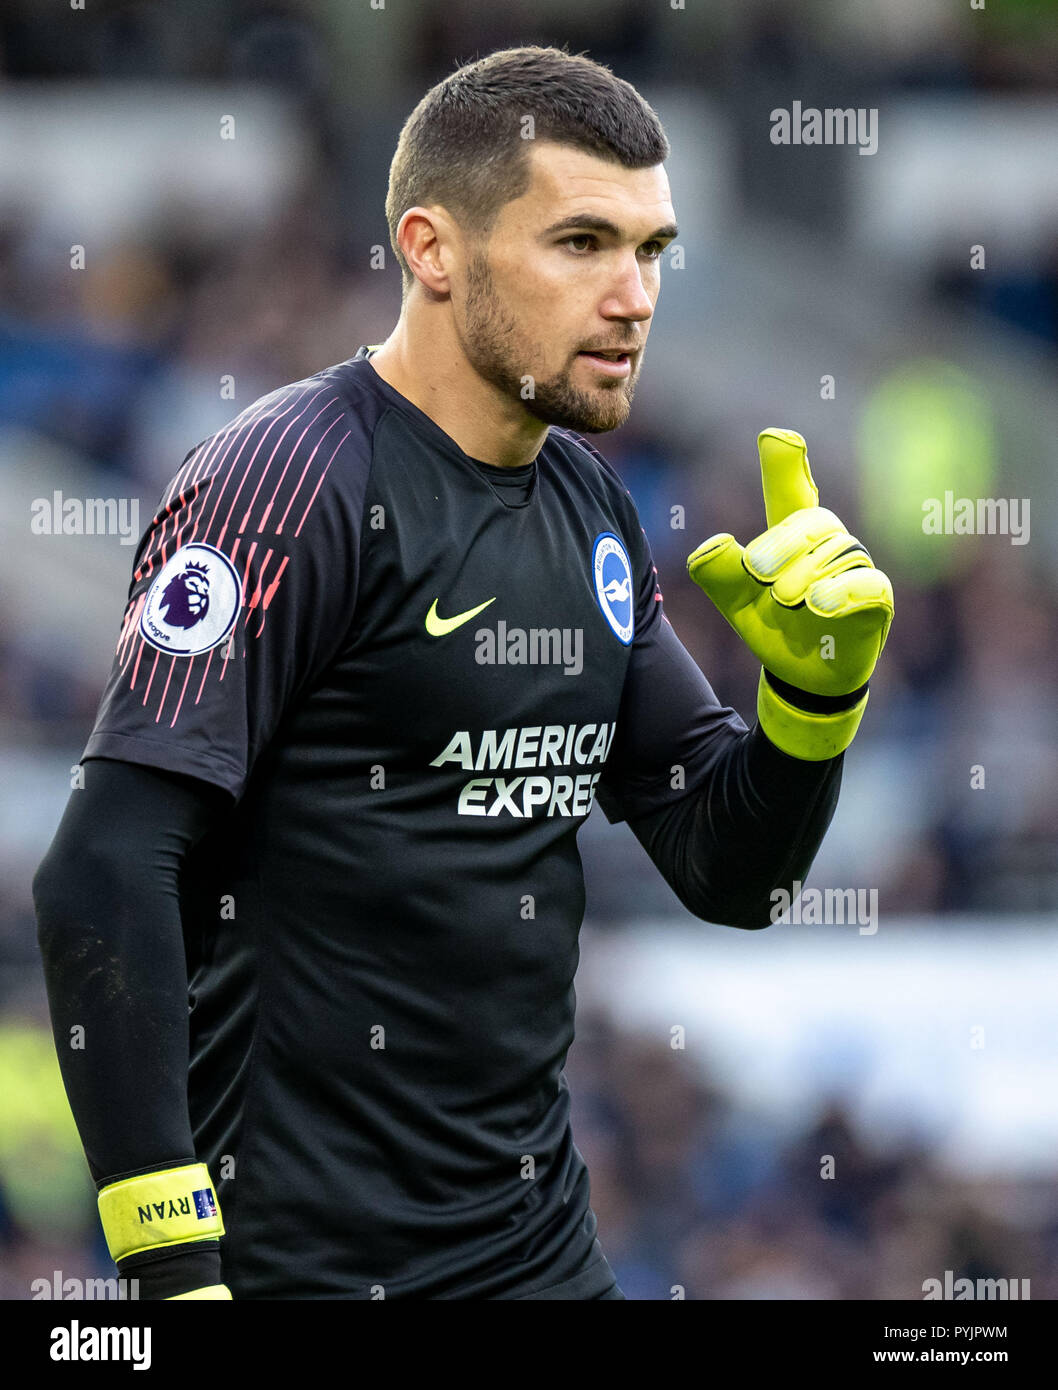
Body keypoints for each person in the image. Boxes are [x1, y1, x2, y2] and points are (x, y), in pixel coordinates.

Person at [32, 45, 893, 1300]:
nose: (633, 297)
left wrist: (813, 703)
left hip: (536, 1259)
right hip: (296, 1271)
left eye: (651, 250)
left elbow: (728, 871)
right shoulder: (289, 481)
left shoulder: (587, 505)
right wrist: (172, 1270)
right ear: (432, 250)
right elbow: (104, 868)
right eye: (581, 243)